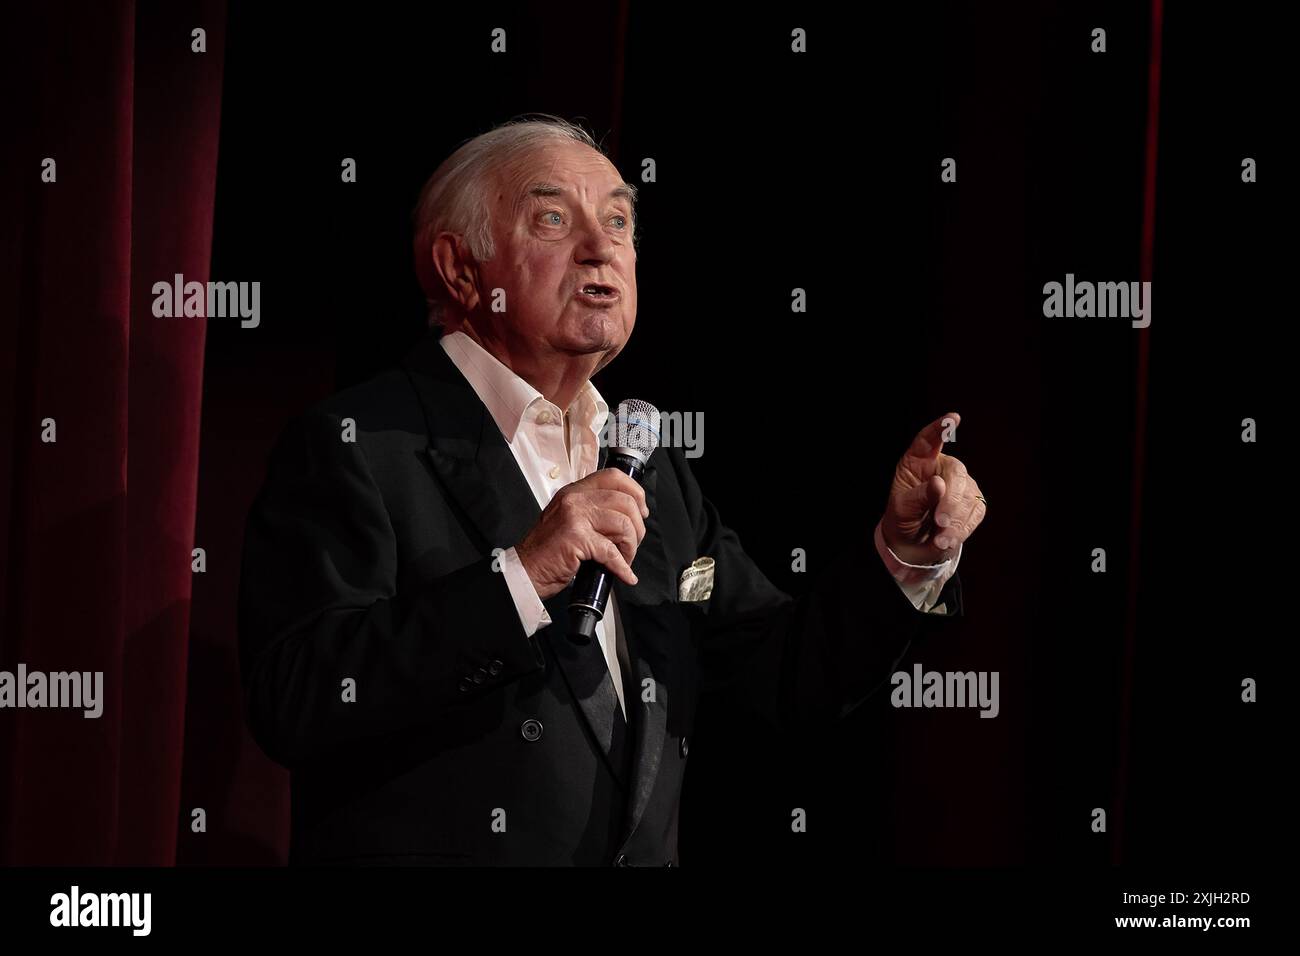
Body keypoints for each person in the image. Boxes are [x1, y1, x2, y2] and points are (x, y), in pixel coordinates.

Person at [237, 115, 987, 866]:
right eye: (554, 218)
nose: (601, 248)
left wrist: (903, 553)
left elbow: (784, 676)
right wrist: (520, 578)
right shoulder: (360, 445)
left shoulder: (648, 467)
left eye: (620, 220)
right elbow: (298, 696)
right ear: (461, 271)